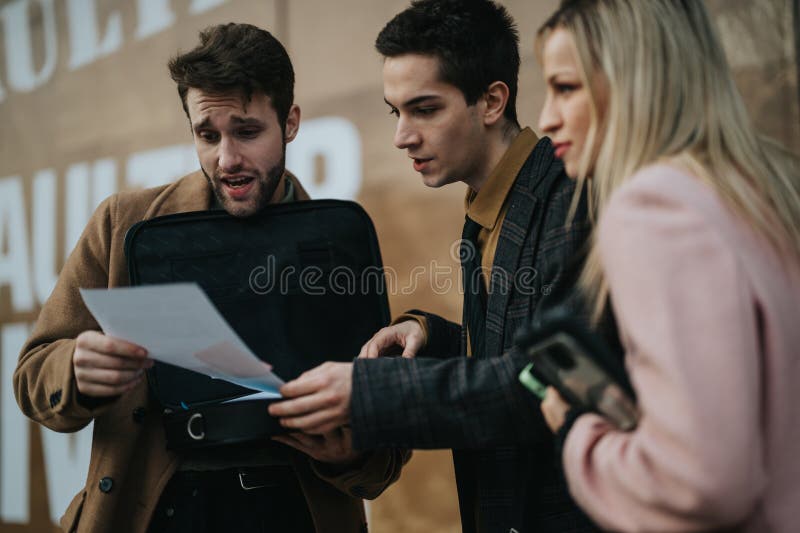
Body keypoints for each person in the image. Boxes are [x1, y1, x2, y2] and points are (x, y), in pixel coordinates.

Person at [13, 23, 405, 533]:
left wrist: (347, 454)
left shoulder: (338, 241)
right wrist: (76, 370)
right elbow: (32, 376)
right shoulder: (123, 224)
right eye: (207, 135)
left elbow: (385, 455)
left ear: (290, 123)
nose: (227, 159)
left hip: (295, 510)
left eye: (246, 131)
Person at [269, 1, 597, 531]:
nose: (401, 135)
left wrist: (368, 392)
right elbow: (514, 346)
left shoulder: (571, 200)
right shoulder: (491, 203)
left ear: (492, 101)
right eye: (394, 112)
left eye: (423, 109)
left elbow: (544, 381)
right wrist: (425, 334)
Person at [535, 1, 800, 532]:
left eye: (566, 88)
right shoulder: (758, 190)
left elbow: (699, 482)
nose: (546, 118)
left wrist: (578, 433)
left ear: (634, 84)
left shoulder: (652, 207)